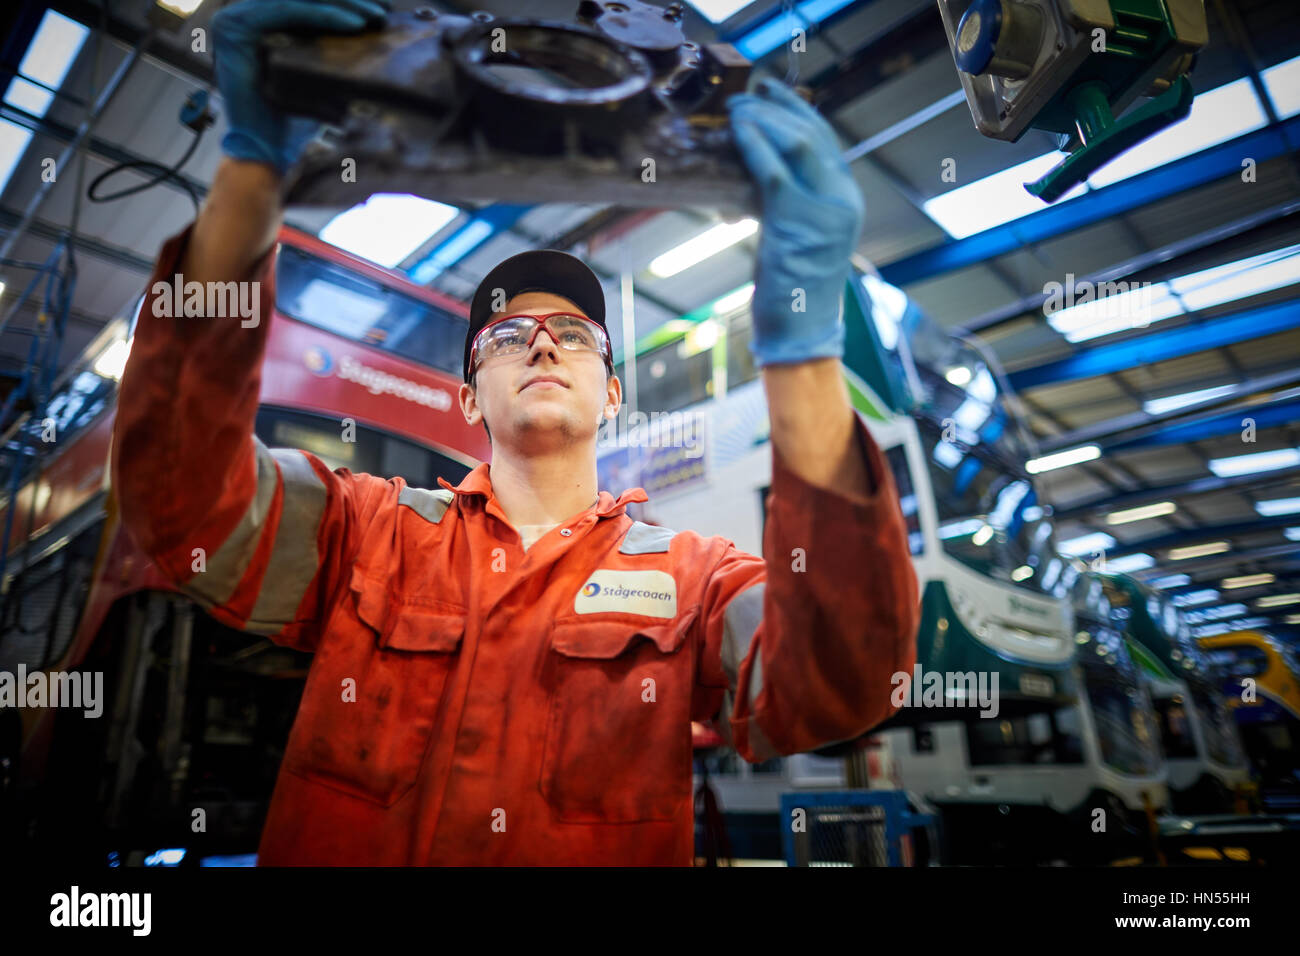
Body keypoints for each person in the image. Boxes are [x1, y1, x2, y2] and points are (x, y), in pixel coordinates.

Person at [112, 0, 920, 865]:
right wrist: (248, 181)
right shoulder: (366, 534)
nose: (541, 339)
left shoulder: (696, 582)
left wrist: (802, 338)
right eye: (506, 336)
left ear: (612, 396)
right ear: (468, 400)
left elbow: (845, 682)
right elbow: (180, 504)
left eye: (574, 334)